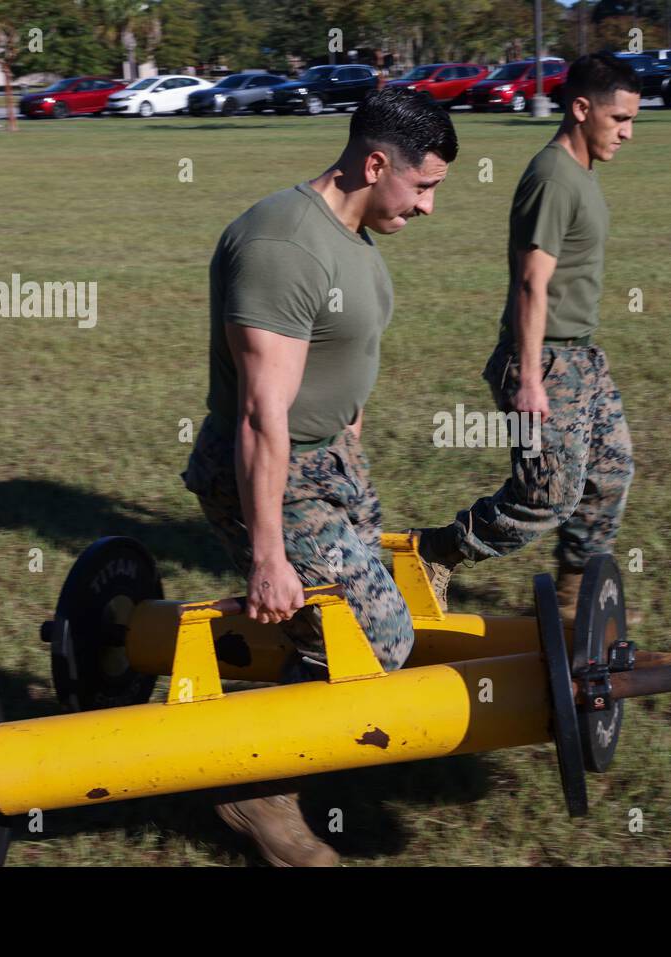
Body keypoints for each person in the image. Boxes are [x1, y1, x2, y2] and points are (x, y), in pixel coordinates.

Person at [181, 87, 458, 866]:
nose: (430, 207)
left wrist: (354, 449)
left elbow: (343, 361)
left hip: (329, 463)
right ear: (376, 163)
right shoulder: (282, 248)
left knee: (353, 625)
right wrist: (268, 554)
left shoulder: (355, 237)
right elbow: (262, 416)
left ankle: (271, 716)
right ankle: (254, 783)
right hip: (272, 474)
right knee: (378, 635)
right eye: (424, 186)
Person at [415, 52, 642, 625]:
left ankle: (574, 605)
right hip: (545, 359)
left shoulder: (582, 171)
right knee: (545, 497)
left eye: (632, 120)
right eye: (619, 120)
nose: (628, 133)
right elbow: (530, 284)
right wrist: (531, 379)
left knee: (610, 473)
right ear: (581, 108)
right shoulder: (551, 177)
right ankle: (437, 552)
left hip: (581, 355)